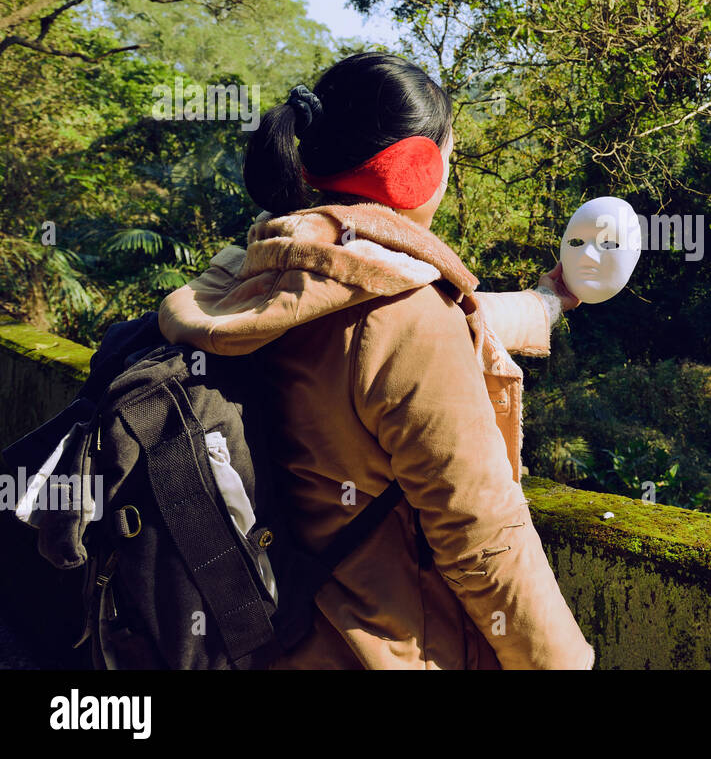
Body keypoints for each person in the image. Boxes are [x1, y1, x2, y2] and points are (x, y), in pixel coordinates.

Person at [157, 51, 595, 669]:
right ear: (415, 167)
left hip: (263, 635)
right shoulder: (408, 317)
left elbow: (418, 324)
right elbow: (485, 541)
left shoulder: (253, 273)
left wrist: (547, 302)